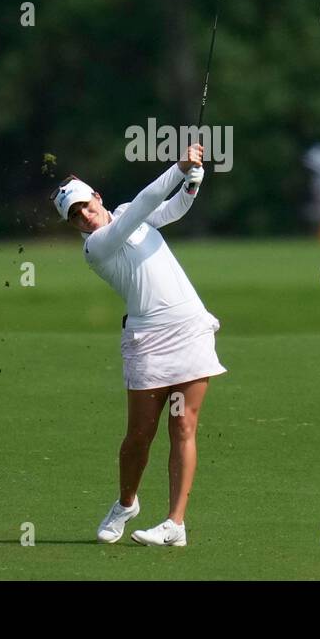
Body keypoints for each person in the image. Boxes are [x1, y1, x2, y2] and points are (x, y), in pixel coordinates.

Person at [51, 143, 225, 547]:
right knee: (138, 437)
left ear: (97, 197)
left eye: (85, 206)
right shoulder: (97, 247)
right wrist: (179, 166)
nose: (84, 217)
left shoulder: (129, 213)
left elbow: (168, 211)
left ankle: (175, 524)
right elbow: (150, 200)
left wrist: (191, 185)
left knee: (184, 425)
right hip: (148, 341)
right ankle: (127, 502)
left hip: (190, 329)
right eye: (74, 217)